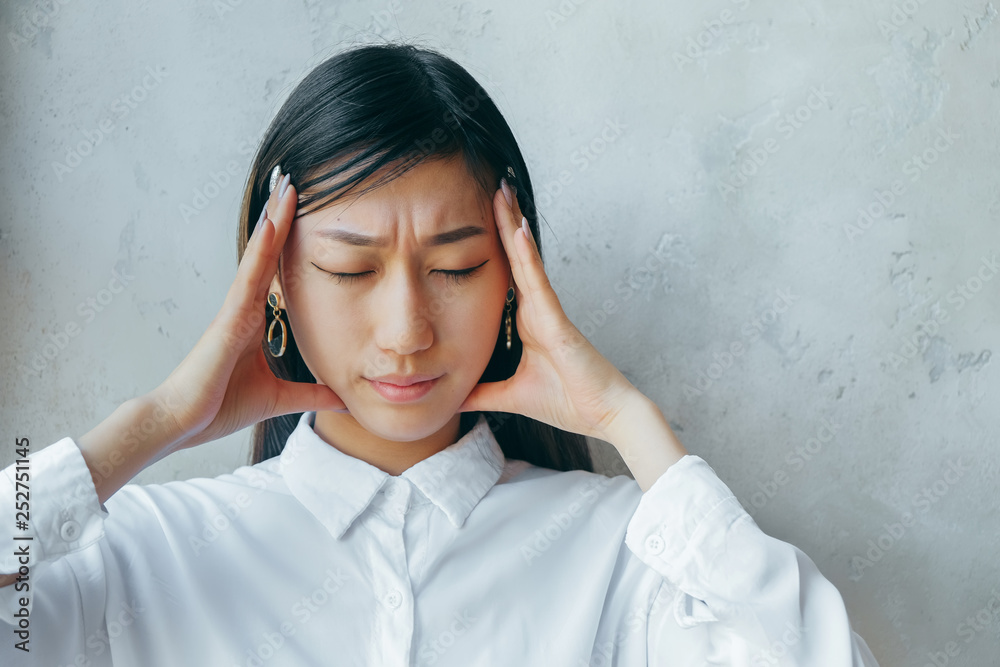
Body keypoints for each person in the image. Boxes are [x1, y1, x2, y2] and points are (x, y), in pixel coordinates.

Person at [0, 42, 880, 666]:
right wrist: (142, 430)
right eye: (350, 268)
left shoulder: (623, 553)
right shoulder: (145, 554)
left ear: (516, 278)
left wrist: (630, 421)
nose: (406, 329)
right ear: (273, 283)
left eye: (455, 266)